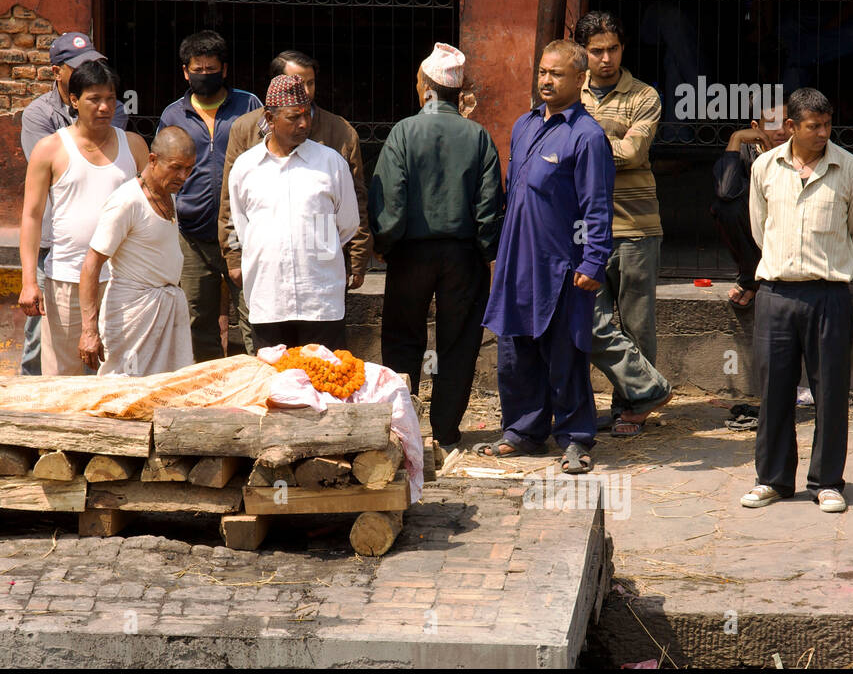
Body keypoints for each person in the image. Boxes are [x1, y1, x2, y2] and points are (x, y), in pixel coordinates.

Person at [741, 88, 853, 515]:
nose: (822, 133)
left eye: (827, 124)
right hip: (776, 293)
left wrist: (829, 266)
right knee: (774, 392)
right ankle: (773, 481)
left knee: (831, 392)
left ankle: (827, 482)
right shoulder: (765, 167)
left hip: (829, 295)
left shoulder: (852, 171)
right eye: (813, 126)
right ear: (791, 128)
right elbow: (760, 231)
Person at [482, 41, 614, 474]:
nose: (546, 80)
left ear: (580, 80)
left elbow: (597, 206)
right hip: (518, 261)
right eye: (542, 72)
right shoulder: (524, 125)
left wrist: (593, 262)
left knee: (565, 353)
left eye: (556, 74)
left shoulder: (588, 136)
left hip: (564, 267)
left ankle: (575, 438)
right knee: (516, 349)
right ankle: (523, 431)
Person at [369, 42, 502, 450]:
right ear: (455, 92)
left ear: (426, 85)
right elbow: (490, 204)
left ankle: (401, 429)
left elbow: (389, 200)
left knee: (403, 340)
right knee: (458, 343)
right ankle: (444, 432)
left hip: (411, 254)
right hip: (463, 257)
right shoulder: (478, 136)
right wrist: (485, 252)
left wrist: (387, 245)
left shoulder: (404, 133)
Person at [218, 50, 371, 354]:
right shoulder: (247, 167)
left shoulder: (330, 163)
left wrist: (313, 247)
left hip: (321, 300)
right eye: (293, 117)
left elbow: (348, 224)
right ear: (269, 119)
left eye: (306, 115)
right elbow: (240, 225)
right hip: (268, 297)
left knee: (324, 384)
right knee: (276, 387)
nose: (304, 123)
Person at [573, 11, 672, 437]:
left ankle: (632, 408)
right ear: (583, 52)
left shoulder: (645, 95)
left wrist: (582, 141)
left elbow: (632, 155)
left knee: (636, 324)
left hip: (637, 225)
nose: (606, 58)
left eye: (613, 48)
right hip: (584, 230)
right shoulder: (565, 90)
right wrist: (605, 140)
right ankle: (641, 390)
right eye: (596, 51)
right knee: (588, 323)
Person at [18, 60, 148, 375]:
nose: (104, 107)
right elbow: (32, 216)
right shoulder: (50, 149)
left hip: (123, 280)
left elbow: (154, 209)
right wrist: (28, 281)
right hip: (66, 278)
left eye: (110, 98)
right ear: (74, 101)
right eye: (94, 99)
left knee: (122, 377)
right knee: (63, 379)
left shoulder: (134, 145)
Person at [157, 30, 262, 362]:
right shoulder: (173, 115)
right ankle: (208, 388)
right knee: (194, 319)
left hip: (242, 233)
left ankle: (258, 387)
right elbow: (160, 172)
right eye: (197, 70)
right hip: (192, 235)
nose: (204, 75)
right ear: (185, 72)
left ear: (225, 70)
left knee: (254, 316)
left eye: (211, 69)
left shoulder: (250, 106)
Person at [78, 127, 197, 375]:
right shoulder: (127, 201)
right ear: (153, 160)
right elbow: (91, 264)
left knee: (165, 393)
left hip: (166, 308)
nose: (183, 176)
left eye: (189, 168)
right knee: (122, 394)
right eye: (176, 167)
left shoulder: (168, 195)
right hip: (131, 313)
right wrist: (89, 331)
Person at [712, 102, 790, 308]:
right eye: (772, 123)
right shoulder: (745, 151)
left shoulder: (804, 151)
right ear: (756, 127)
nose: (781, 131)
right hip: (758, 238)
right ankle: (751, 279)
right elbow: (725, 192)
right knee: (727, 208)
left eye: (787, 123)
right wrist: (735, 139)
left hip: (794, 240)